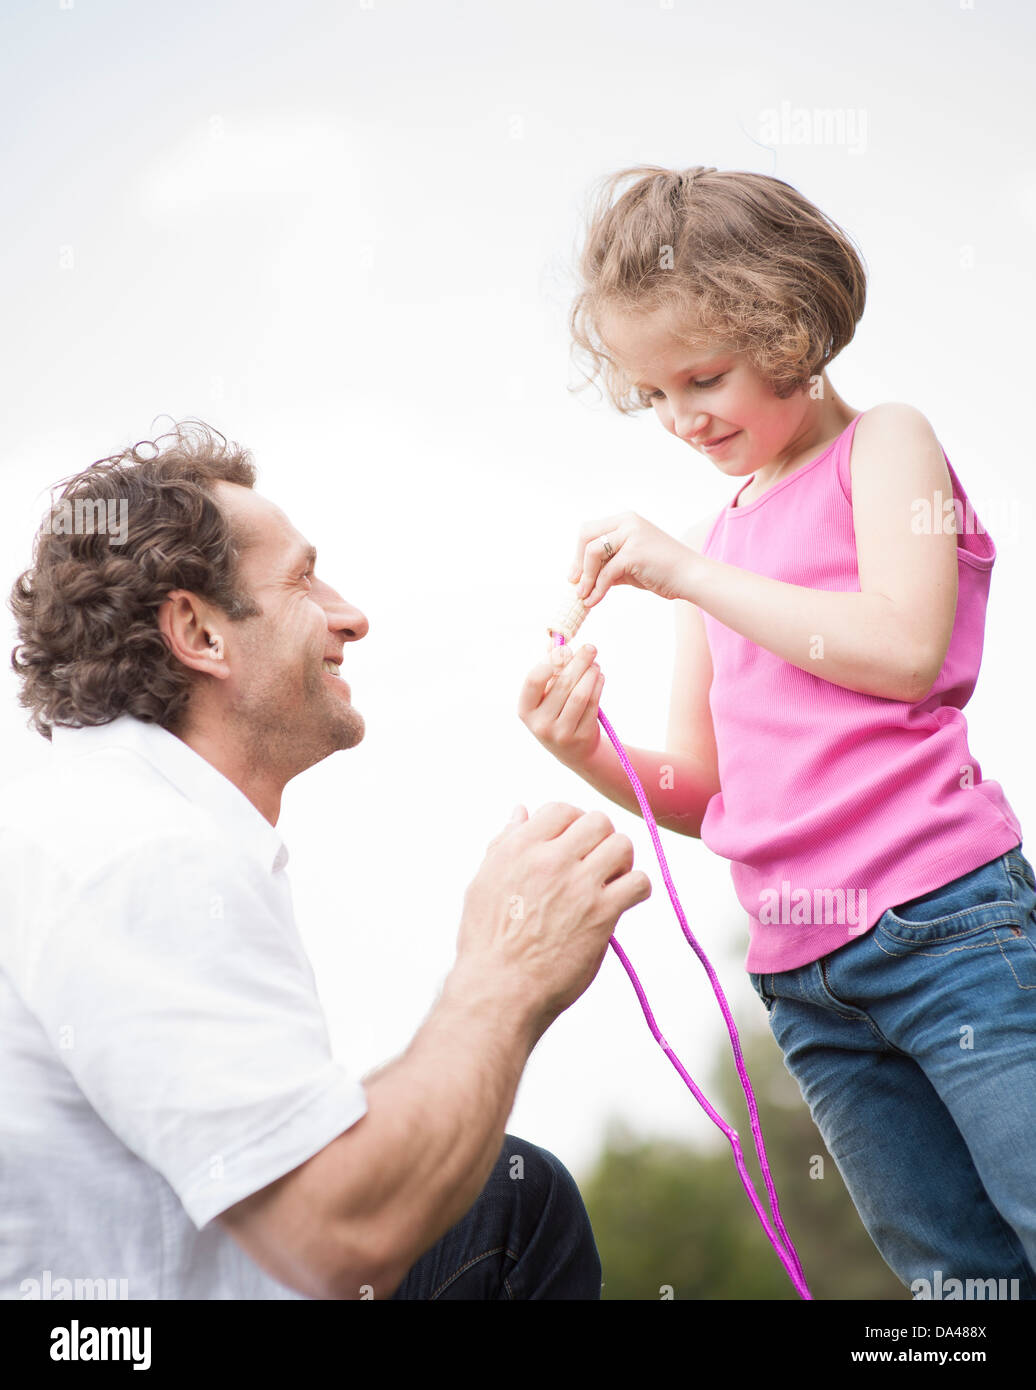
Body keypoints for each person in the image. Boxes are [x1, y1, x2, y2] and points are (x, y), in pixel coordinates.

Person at [518, 164, 1036, 1299]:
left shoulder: (882, 447)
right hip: (804, 977)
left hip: (943, 919)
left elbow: (901, 648)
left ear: (790, 325)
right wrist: (583, 748)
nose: (681, 417)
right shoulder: (715, 545)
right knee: (953, 1275)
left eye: (702, 376)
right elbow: (706, 795)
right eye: (652, 394)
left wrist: (695, 575)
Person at [0, 421, 652, 1301]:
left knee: (508, 1197)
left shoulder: (120, 818)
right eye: (305, 580)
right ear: (198, 631)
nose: (352, 614)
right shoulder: (143, 857)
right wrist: (507, 971)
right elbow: (337, 1236)